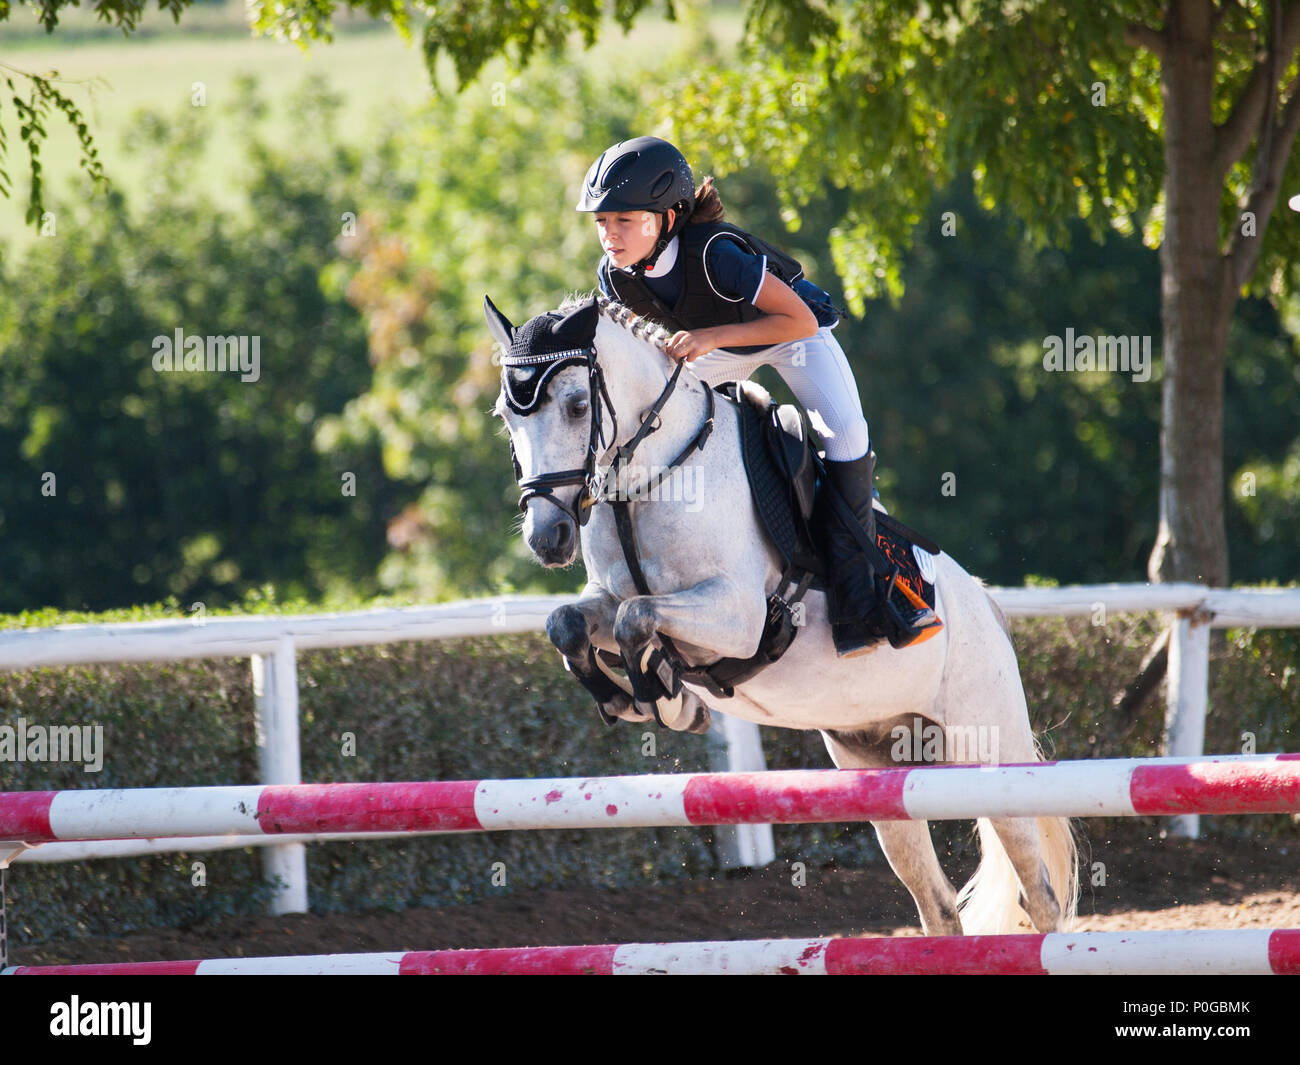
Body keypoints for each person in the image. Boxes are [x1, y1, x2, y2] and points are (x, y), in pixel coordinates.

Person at [576, 136, 941, 656]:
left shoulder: (717, 256)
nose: (610, 235)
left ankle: (869, 594)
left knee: (844, 439)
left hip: (796, 339)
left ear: (668, 218)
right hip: (720, 349)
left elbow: (799, 320)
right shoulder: (614, 278)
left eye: (624, 220)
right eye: (602, 223)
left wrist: (711, 339)